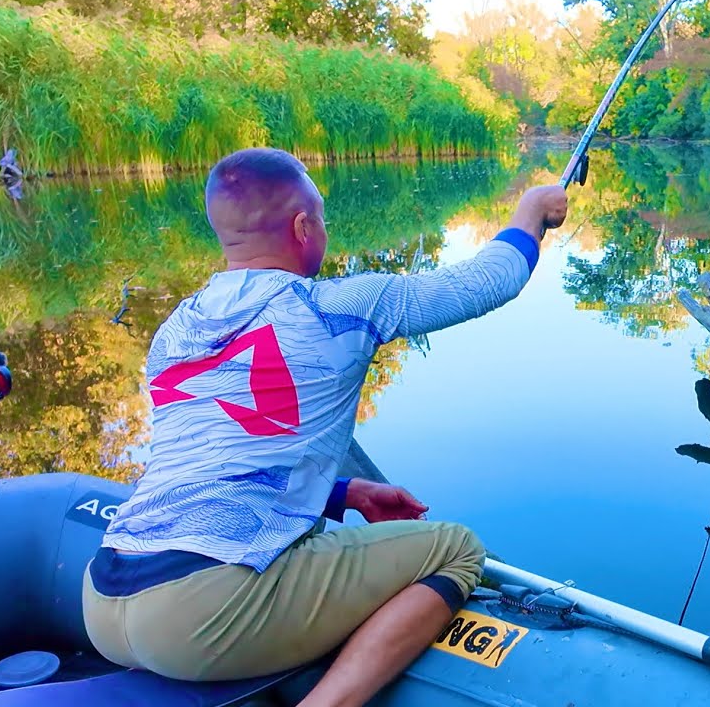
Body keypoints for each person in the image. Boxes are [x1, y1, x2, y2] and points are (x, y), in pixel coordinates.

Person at [81, 147, 568, 707]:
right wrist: (530, 212)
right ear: (303, 226)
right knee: (457, 548)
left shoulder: (177, 328)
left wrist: (344, 493)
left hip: (103, 596)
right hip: (199, 615)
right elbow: (488, 281)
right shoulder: (344, 305)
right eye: (322, 217)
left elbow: (217, 454)